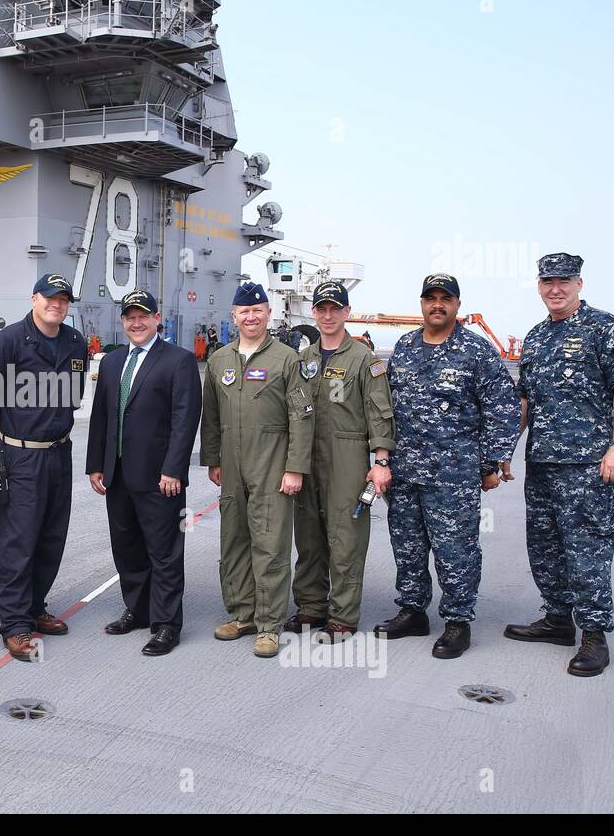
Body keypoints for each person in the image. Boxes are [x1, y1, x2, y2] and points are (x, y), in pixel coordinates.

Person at [505, 253, 614, 677]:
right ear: (539, 285)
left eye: (563, 281)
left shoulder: (605, 328)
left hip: (587, 464)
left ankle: (594, 636)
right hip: (542, 462)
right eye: (547, 281)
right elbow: (525, 399)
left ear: (579, 283)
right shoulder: (537, 336)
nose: (555, 289)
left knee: (587, 549)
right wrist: (506, 449)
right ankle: (558, 619)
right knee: (544, 547)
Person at [374, 273, 519, 657]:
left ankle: (457, 621)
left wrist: (490, 463)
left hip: (453, 474)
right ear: (421, 303)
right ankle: (413, 610)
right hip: (405, 472)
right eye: (430, 298)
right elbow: (386, 407)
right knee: (407, 546)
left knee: (455, 549)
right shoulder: (404, 347)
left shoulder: (476, 350)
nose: (437, 304)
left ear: (457, 304)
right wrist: (381, 458)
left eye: (445, 298)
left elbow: (502, 407)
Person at [0, 272, 87, 661]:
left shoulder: (74, 343)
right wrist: (16, 436)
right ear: (35, 298)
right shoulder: (8, 343)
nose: (57, 303)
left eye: (64, 299)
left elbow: (74, 395)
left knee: (52, 535)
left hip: (60, 453)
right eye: (50, 297)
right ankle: (16, 624)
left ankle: (36, 607)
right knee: (18, 540)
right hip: (22, 457)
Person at [199, 280, 314, 657]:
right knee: (233, 542)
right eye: (244, 311)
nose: (251, 316)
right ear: (234, 316)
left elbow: (301, 416)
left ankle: (268, 624)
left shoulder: (286, 360)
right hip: (231, 466)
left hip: (272, 465)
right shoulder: (219, 360)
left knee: (269, 545)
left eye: (258, 310)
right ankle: (242, 613)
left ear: (268, 314)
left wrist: (295, 467)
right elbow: (211, 417)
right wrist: (213, 460)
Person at [86, 290, 201, 656]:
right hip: (117, 474)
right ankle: (137, 609)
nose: (136, 323)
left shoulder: (178, 361)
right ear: (123, 321)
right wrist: (95, 465)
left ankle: (167, 623)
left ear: (156, 318)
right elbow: (101, 416)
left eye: (143, 316)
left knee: (164, 551)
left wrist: (174, 469)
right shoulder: (112, 362)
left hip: (159, 478)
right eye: (129, 317)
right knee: (127, 547)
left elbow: (186, 419)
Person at [287, 280, 395, 642]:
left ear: (347, 312)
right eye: (322, 308)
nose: (328, 315)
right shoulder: (304, 360)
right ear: (314, 313)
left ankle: (342, 617)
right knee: (308, 535)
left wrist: (380, 459)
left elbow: (379, 412)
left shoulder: (364, 359)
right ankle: (311, 608)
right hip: (307, 456)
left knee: (345, 537)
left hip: (347, 455)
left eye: (336, 308)